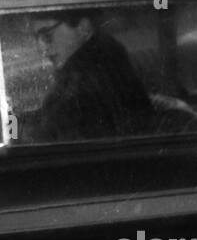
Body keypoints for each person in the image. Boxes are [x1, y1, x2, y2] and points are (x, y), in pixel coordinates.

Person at [30, 11, 155, 142]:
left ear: (84, 28)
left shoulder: (83, 84)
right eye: (37, 38)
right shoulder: (107, 61)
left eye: (47, 35)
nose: (42, 49)